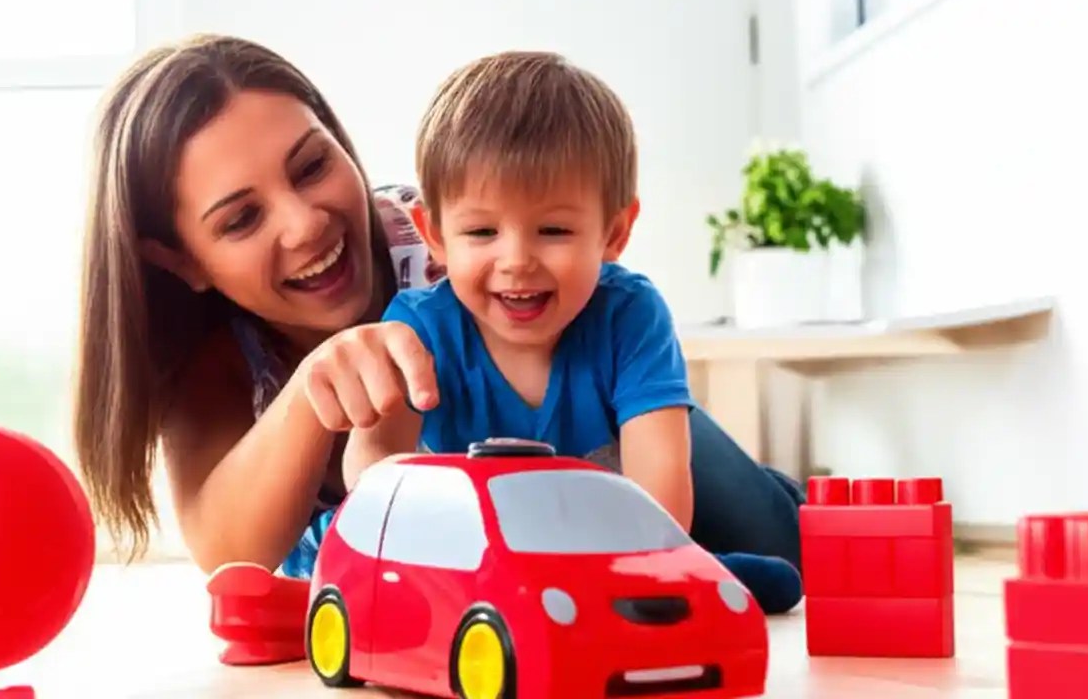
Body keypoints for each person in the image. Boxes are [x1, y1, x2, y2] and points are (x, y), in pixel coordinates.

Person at [73, 33, 804, 630]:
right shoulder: (210, 360)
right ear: (178, 261)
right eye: (241, 219)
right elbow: (231, 557)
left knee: (777, 542)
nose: (305, 224)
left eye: (312, 165)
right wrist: (314, 386)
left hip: (595, 442)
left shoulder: (451, 239)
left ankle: (801, 503)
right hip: (466, 548)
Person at [342, 50, 801, 614]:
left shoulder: (631, 313)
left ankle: (776, 499)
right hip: (501, 548)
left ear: (614, 232)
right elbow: (373, 482)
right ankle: (706, 567)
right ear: (434, 236)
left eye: (553, 229)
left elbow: (662, 510)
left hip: (613, 526)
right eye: (481, 231)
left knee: (786, 553)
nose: (516, 260)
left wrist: (627, 573)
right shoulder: (418, 328)